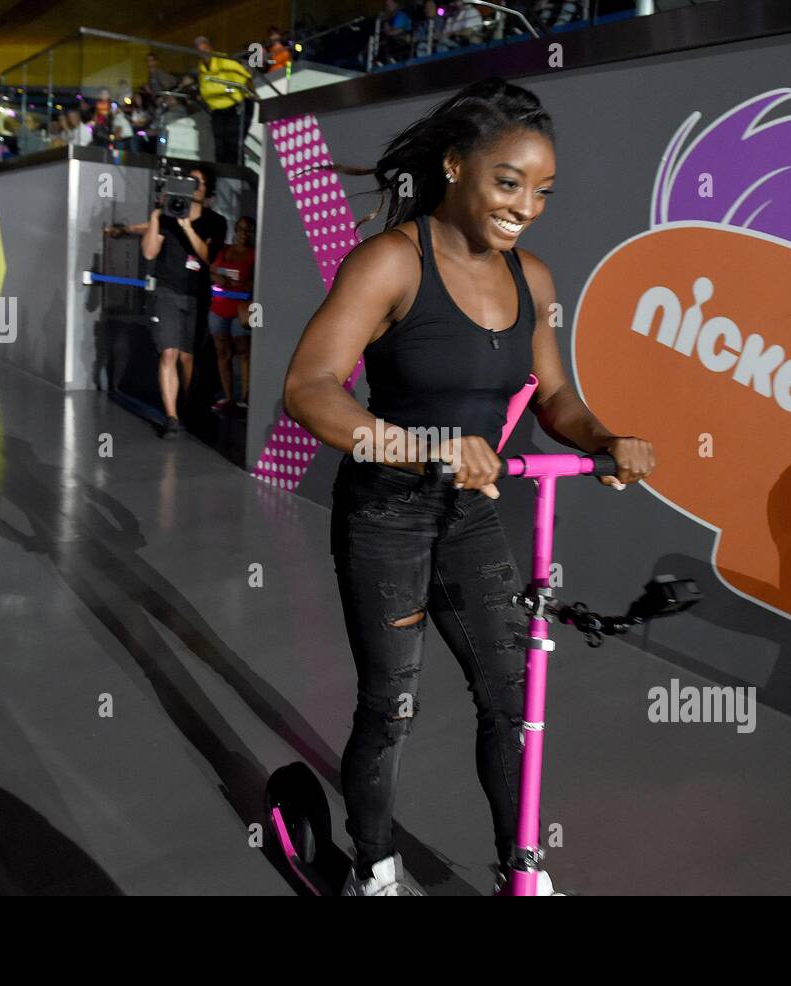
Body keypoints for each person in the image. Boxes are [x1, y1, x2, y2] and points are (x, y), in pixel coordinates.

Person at [282, 77, 655, 896]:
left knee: (510, 696)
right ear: (455, 165)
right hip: (386, 512)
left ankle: (520, 865)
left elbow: (556, 398)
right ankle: (373, 868)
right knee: (392, 705)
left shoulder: (537, 281)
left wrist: (604, 439)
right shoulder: (390, 261)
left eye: (543, 191)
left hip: (472, 517)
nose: (526, 204)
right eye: (508, 181)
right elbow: (310, 388)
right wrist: (423, 449)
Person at [124, 168, 226, 438]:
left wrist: (186, 226)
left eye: (199, 183)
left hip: (197, 295)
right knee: (169, 353)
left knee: (187, 356)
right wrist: (157, 217)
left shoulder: (215, 221)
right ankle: (171, 417)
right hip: (167, 292)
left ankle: (187, 406)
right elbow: (149, 252)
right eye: (189, 182)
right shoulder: (166, 218)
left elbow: (206, 256)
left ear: (206, 191)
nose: (193, 187)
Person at [208, 216, 256, 410]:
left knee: (244, 352)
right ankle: (228, 397)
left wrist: (242, 285)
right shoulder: (225, 250)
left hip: (242, 310)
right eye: (241, 229)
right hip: (219, 308)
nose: (244, 233)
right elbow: (211, 271)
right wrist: (218, 277)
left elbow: (260, 279)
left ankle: (245, 398)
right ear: (235, 230)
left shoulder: (255, 254)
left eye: (248, 230)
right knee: (222, 352)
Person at [193, 35, 253, 165]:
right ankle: (223, 175)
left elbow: (245, 76)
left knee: (233, 142)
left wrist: (251, 94)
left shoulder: (223, 60)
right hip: (217, 110)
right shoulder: (201, 68)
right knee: (219, 145)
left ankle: (238, 175)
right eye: (200, 50)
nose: (204, 52)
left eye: (205, 48)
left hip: (235, 105)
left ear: (210, 48)